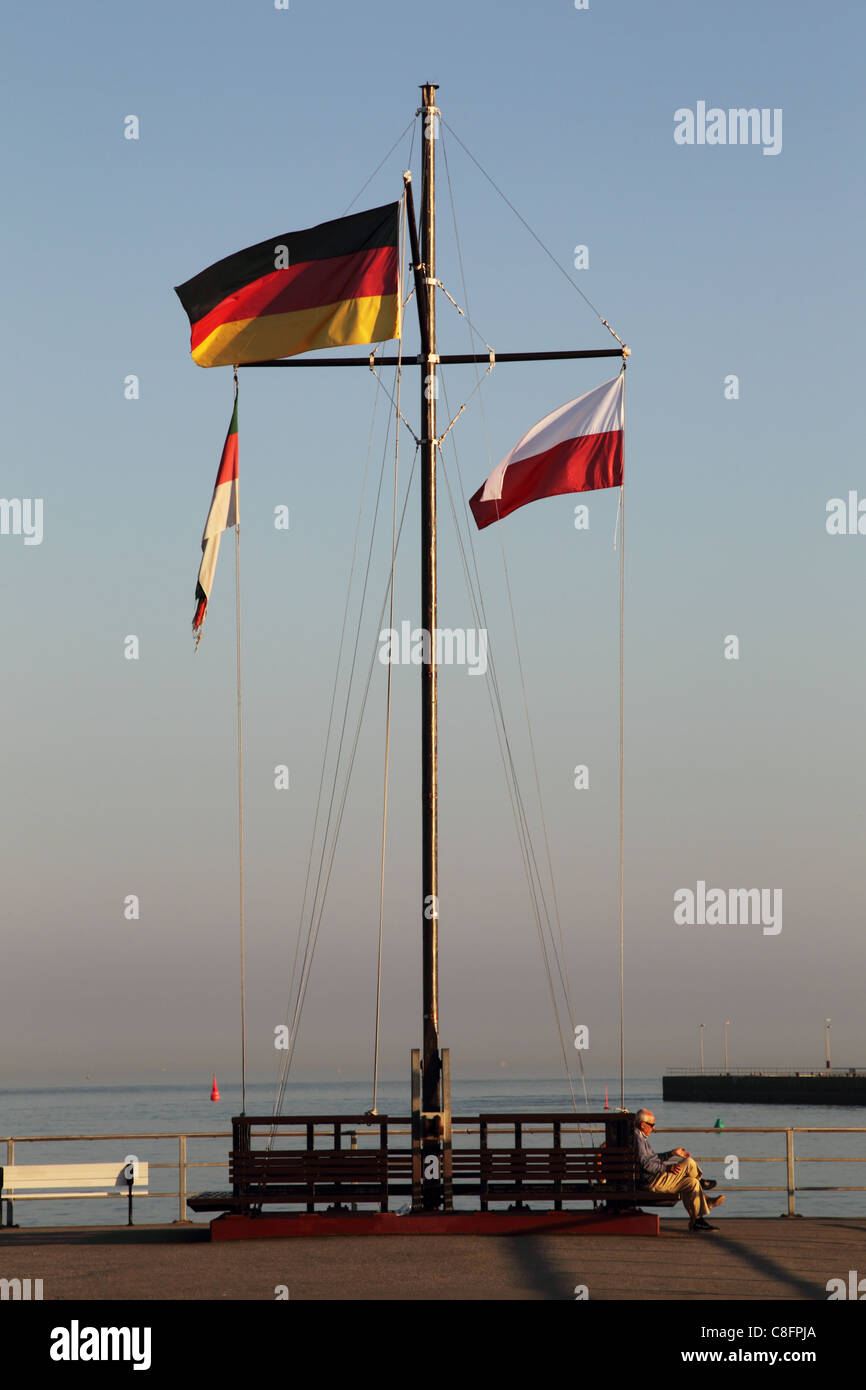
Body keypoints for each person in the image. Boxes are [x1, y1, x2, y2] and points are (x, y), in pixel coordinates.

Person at [634, 1108, 725, 1233]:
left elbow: (652, 1159)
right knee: (688, 1162)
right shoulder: (637, 1139)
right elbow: (646, 1164)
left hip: (656, 1178)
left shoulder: (640, 1137)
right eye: (651, 1125)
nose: (653, 1128)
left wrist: (672, 1153)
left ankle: (697, 1222)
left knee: (692, 1183)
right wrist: (666, 1167)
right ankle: (703, 1188)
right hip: (652, 1182)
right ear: (642, 1124)